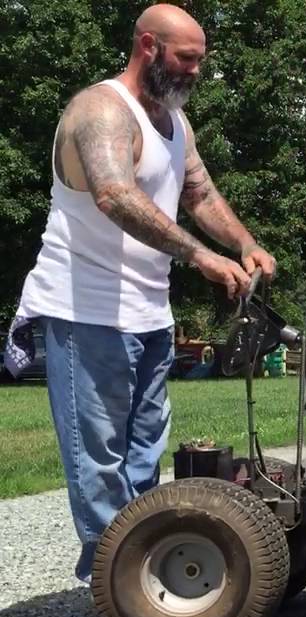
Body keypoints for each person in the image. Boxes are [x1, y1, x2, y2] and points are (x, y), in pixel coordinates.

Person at [3, 4, 277, 583]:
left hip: (149, 312)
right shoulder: (100, 110)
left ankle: (135, 570)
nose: (196, 72)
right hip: (87, 310)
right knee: (97, 456)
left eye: (201, 60)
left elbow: (199, 195)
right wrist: (201, 255)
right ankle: (117, 587)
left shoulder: (175, 123)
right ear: (149, 47)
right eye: (187, 59)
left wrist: (245, 242)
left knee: (144, 451)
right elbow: (114, 195)